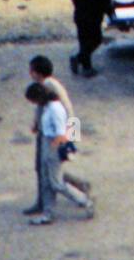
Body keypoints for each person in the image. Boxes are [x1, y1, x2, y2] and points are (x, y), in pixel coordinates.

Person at [25, 56, 90, 217]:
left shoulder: (47, 86)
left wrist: (37, 126)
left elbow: (48, 110)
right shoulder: (51, 84)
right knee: (52, 167)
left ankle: (46, 203)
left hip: (54, 134)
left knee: (46, 168)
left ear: (38, 73)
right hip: (61, 130)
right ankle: (80, 186)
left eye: (32, 71)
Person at [69, 0, 114, 77]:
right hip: (94, 18)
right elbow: (106, 2)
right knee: (96, 40)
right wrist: (111, 15)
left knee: (83, 41)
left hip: (80, 16)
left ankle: (85, 65)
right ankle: (81, 61)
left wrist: (80, 8)